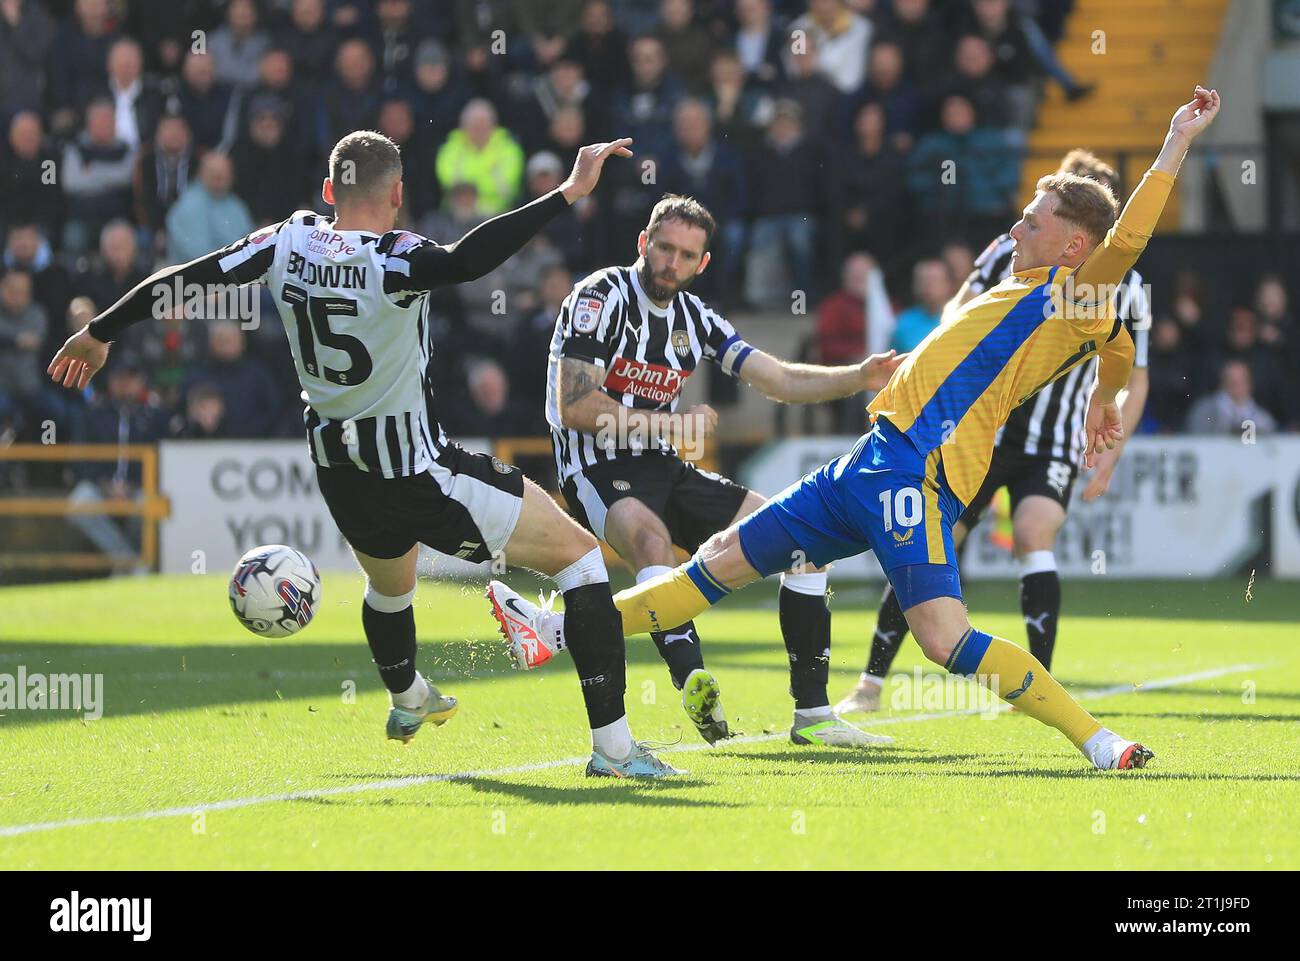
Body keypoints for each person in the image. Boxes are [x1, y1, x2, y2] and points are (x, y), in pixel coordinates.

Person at [494, 87, 1222, 772]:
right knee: (713, 563)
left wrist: (1173, 143)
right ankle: (554, 631)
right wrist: (1107, 393)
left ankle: (1098, 741)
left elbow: (1124, 251)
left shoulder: (1072, 293)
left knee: (942, 639)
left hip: (919, 473)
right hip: (868, 461)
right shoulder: (1040, 287)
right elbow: (1121, 340)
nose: (1014, 225)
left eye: (1033, 220)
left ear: (1074, 247)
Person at [48, 131, 684, 779]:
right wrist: (567, 193)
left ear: (329, 191)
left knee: (391, 585)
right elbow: (467, 261)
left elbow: (187, 278)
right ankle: (614, 750)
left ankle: (408, 697)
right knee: (579, 559)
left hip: (339, 467)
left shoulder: (285, 240)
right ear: (399, 195)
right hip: (416, 469)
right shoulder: (394, 257)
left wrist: (101, 331)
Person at [487, 193, 904, 747]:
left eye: (687, 255)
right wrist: (670, 426)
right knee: (650, 543)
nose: (672, 263)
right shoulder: (598, 296)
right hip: (595, 463)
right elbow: (576, 407)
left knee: (804, 541)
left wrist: (859, 376)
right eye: (664, 248)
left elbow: (777, 378)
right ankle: (694, 684)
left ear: (702, 263)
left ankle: (814, 715)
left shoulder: (695, 319)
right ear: (644, 242)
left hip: (664, 466)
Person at [839, 149, 1154, 714]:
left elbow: (1131, 362)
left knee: (1033, 534)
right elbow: (962, 303)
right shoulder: (1013, 251)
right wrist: (937, 363)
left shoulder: (1123, 287)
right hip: (981, 426)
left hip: (1054, 438)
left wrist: (1111, 431)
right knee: (936, 539)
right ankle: (872, 680)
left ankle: (1035, 684)